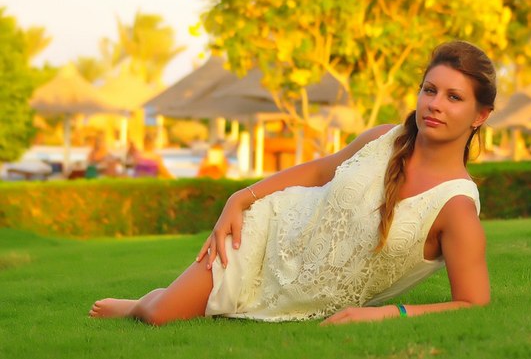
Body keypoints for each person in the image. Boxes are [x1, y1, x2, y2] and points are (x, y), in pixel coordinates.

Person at [89, 40, 496, 325]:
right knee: (158, 316)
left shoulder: (456, 207)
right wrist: (240, 199)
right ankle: (142, 303)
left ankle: (169, 296)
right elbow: (320, 171)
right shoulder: (382, 139)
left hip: (304, 294)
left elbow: (473, 302)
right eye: (429, 90)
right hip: (269, 230)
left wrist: (388, 313)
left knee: (183, 309)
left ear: (480, 116)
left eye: (453, 97)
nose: (434, 105)